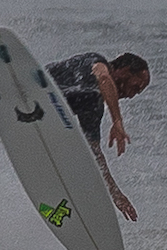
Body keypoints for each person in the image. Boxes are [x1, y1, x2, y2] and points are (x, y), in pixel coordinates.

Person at [44, 51, 150, 221]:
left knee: (83, 155)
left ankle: (58, 204)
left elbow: (94, 153)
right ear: (125, 70)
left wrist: (115, 193)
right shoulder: (97, 62)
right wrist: (117, 121)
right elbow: (104, 79)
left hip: (45, 120)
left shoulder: (94, 106)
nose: (131, 95)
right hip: (39, 86)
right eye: (136, 87)